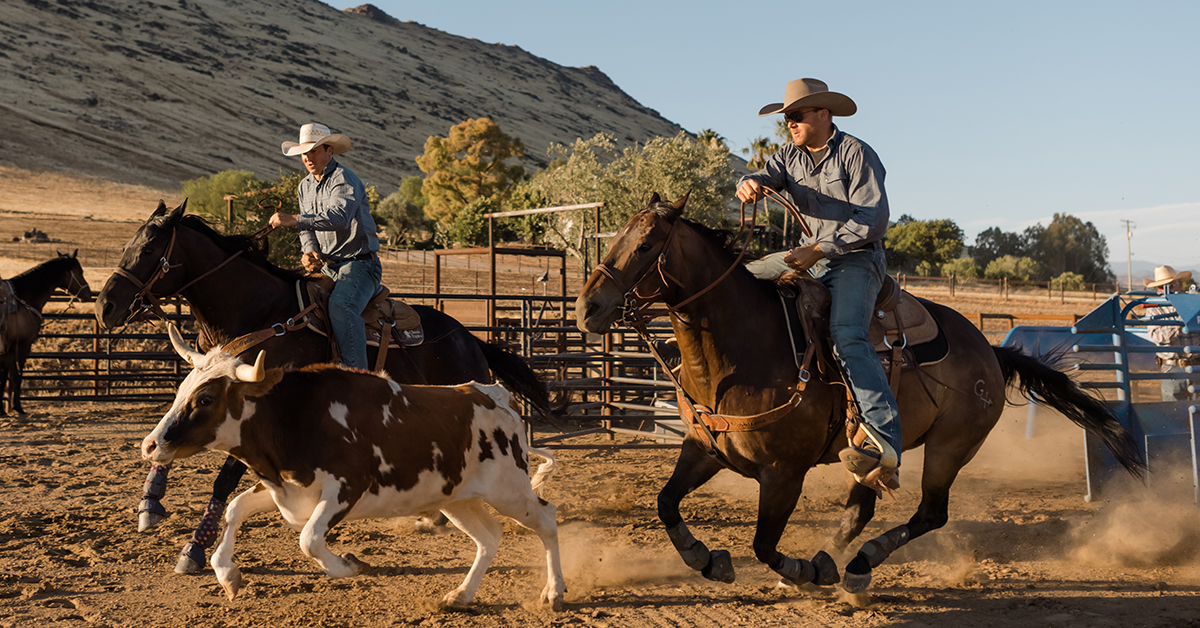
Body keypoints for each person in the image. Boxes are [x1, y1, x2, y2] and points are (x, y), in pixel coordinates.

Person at [735, 78, 900, 491]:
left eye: (796, 116)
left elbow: (873, 219)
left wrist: (822, 248)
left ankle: (886, 442)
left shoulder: (856, 154)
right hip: (810, 253)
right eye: (786, 117)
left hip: (857, 258)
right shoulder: (788, 155)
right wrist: (749, 182)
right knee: (739, 284)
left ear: (823, 115)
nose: (789, 123)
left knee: (847, 336)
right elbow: (765, 174)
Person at [269, 122, 381, 370]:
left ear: (329, 151)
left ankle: (358, 378)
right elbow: (307, 229)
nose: (307, 157)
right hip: (330, 267)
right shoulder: (304, 186)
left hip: (361, 265)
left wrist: (294, 219)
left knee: (342, 306)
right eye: (304, 153)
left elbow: (339, 217)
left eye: (314, 151)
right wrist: (308, 251)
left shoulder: (344, 179)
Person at [1143, 265, 1200, 402]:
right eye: (1162, 287)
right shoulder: (1155, 308)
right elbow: (1158, 336)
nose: (1164, 290)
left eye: (1170, 285)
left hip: (1197, 366)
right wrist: (1183, 320)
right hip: (1171, 368)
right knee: (1174, 412)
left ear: (1179, 284)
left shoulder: (1195, 305)